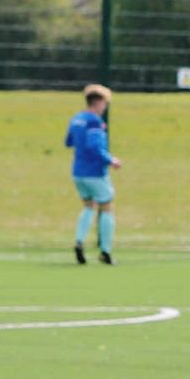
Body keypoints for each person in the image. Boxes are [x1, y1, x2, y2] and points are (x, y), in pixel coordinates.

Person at [66, 85, 120, 264]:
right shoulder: (94, 121)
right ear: (98, 102)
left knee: (89, 206)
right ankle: (105, 251)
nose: (105, 107)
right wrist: (110, 160)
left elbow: (69, 141)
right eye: (105, 103)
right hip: (95, 172)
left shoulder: (76, 119)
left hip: (78, 172)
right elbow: (95, 146)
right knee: (107, 206)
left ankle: (79, 241)